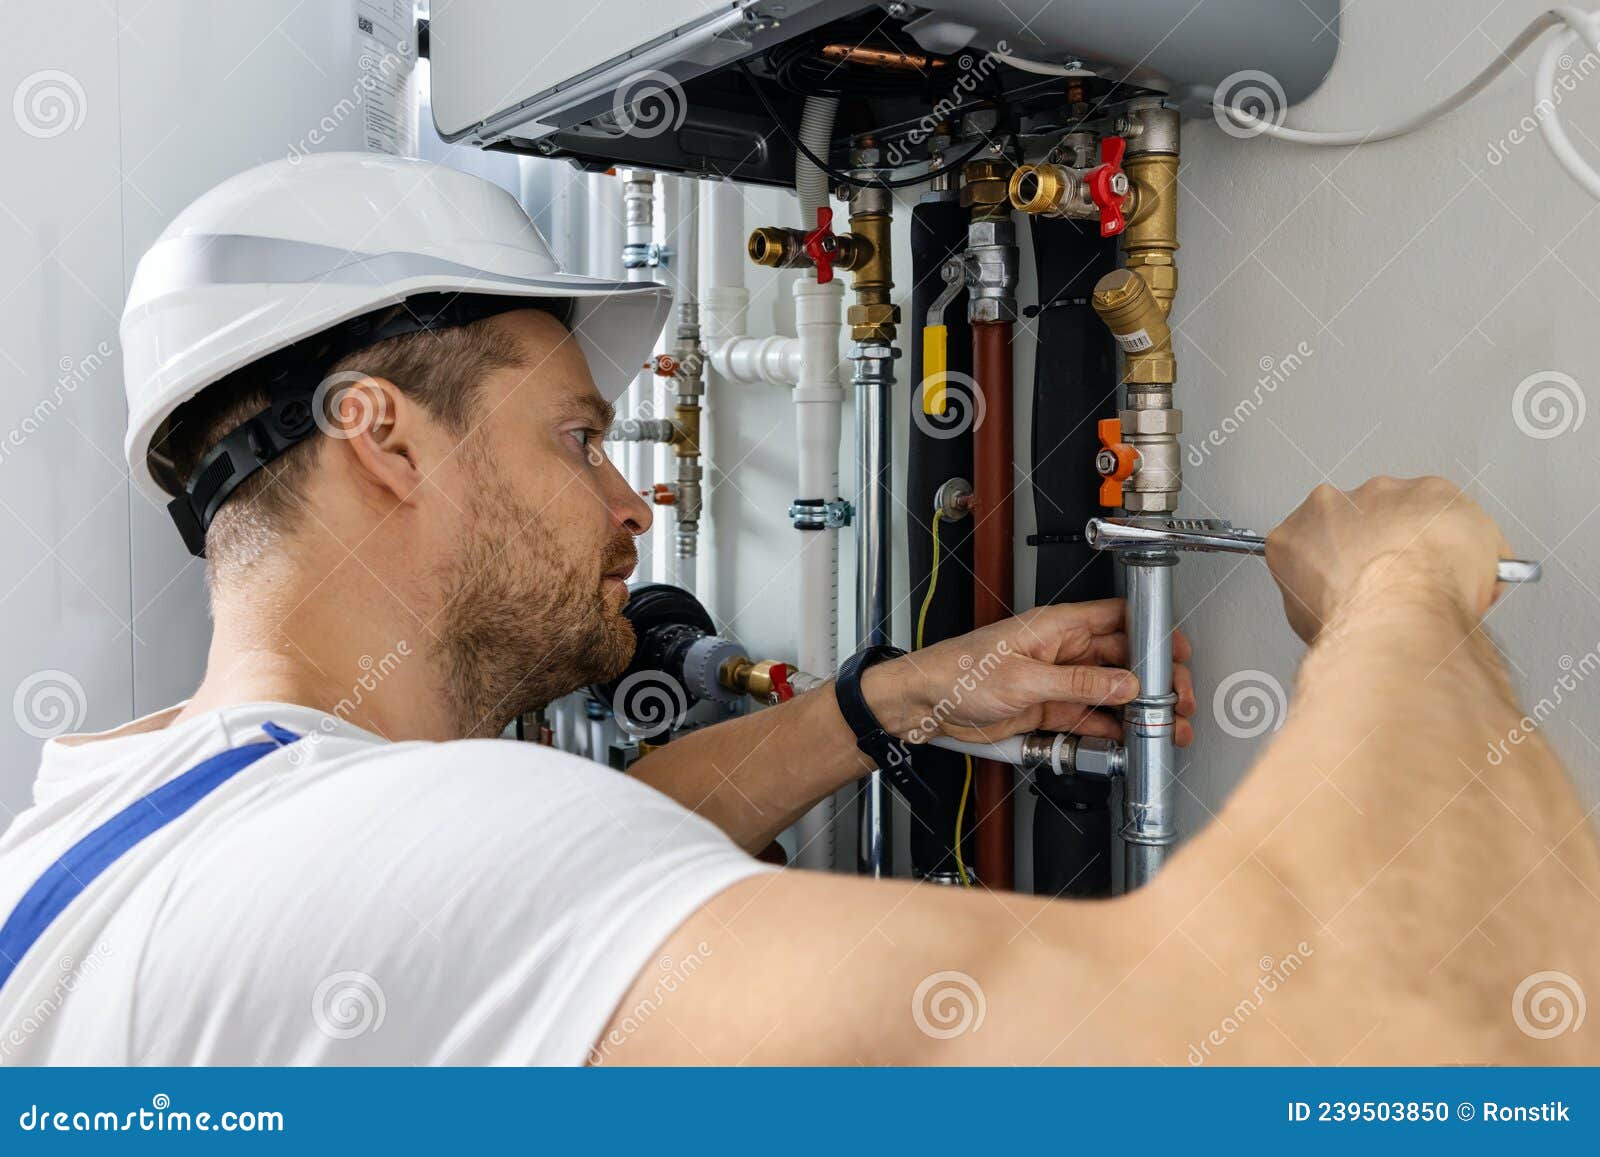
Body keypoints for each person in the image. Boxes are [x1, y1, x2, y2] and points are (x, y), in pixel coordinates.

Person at [0, 155, 1593, 1066]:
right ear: (383, 434)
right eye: (575, 436)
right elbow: (1376, 1044)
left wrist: (886, 702)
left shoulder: (115, 819)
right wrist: (1401, 594)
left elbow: (526, 870)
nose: (631, 503)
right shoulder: (415, 857)